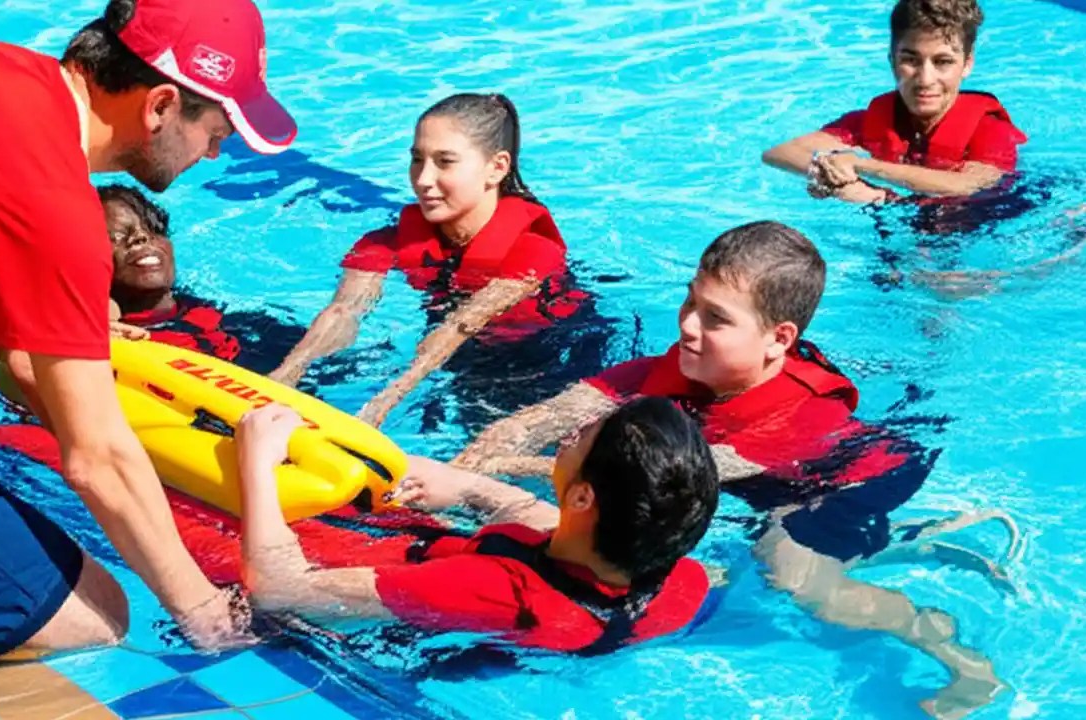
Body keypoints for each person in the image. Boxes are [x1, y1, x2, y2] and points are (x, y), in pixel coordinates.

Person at [0, 0, 296, 680]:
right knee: (92, 616)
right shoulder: (51, 203)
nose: (217, 151)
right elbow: (96, 458)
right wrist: (206, 612)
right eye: (216, 129)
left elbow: (17, 349)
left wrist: (66, 321)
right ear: (160, 106)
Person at [442, 221, 1004, 716]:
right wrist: (468, 461)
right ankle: (916, 542)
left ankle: (952, 651)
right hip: (773, 486)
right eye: (690, 302)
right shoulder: (679, 365)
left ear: (778, 340)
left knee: (789, 574)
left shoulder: (792, 418)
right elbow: (553, 414)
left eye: (716, 318)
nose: (687, 325)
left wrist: (480, 484)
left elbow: (631, 480)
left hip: (855, 482)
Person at [234, 397, 720, 654]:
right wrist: (467, 488)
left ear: (582, 496)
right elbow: (557, 528)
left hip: (401, 594)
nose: (571, 434)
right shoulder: (680, 576)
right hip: (467, 569)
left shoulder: (488, 591)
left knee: (212, 530)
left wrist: (255, 460)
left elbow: (279, 590)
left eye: (582, 436)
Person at [269, 93, 593, 429]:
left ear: (496, 168)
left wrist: (382, 403)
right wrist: (287, 374)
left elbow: (460, 326)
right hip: (466, 358)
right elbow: (342, 312)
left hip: (556, 360)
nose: (423, 180)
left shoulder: (534, 250)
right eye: (417, 159)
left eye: (445, 162)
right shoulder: (384, 242)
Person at [0, 184, 303, 407]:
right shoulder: (93, 340)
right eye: (116, 236)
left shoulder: (234, 323)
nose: (141, 237)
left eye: (152, 229)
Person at [762, 0, 1026, 204]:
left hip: (993, 223)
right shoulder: (869, 121)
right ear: (892, 59)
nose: (925, 79)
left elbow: (971, 185)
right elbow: (780, 154)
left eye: (943, 62)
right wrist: (846, 185)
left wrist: (860, 166)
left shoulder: (989, 130)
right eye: (910, 60)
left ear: (967, 64)